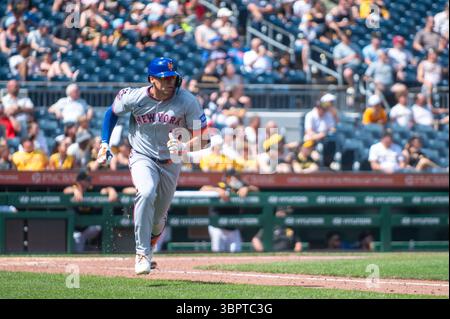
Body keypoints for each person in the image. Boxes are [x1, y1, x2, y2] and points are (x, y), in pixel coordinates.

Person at [97, 57, 209, 275]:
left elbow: (205, 138)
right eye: (164, 78)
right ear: (151, 79)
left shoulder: (187, 101)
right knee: (146, 192)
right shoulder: (135, 96)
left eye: (172, 78)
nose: (169, 83)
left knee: (158, 220)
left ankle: (151, 245)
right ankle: (141, 252)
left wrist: (184, 147)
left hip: (171, 162)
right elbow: (111, 113)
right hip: (142, 156)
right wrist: (104, 142)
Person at [200, 168, 259, 253]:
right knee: (217, 253)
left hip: (233, 227)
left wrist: (247, 188)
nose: (237, 179)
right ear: (228, 177)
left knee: (236, 252)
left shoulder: (241, 185)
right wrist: (216, 190)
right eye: (234, 177)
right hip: (218, 226)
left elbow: (256, 189)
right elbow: (203, 189)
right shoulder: (221, 185)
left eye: (238, 177)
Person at [64, 171, 118, 253]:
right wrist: (75, 190)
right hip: (76, 229)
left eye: (89, 179)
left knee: (100, 226)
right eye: (87, 180)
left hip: (89, 228)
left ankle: (102, 249)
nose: (89, 181)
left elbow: (104, 190)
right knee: (78, 249)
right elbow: (66, 191)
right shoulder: (73, 188)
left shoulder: (91, 189)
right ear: (79, 181)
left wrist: (111, 190)